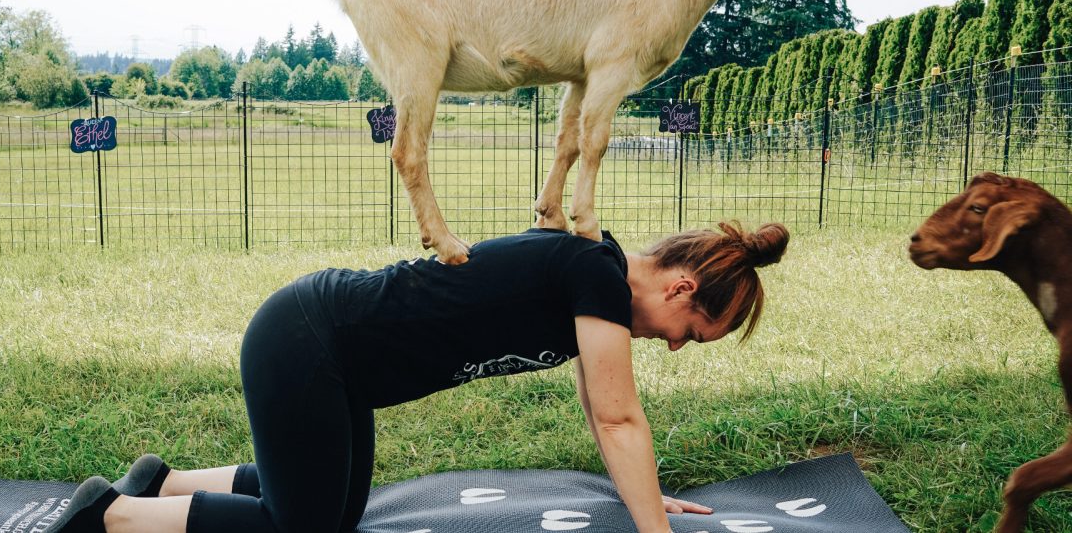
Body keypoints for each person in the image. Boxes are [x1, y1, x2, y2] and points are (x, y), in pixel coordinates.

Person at [51, 221, 789, 533]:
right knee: (299, 530)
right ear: (682, 289)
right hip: (309, 341)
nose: (677, 348)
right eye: (693, 334)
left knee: (336, 518)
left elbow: (605, 413)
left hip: (335, 363)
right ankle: (110, 516)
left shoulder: (592, 280)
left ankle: (166, 482)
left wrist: (644, 496)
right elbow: (624, 417)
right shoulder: (594, 270)